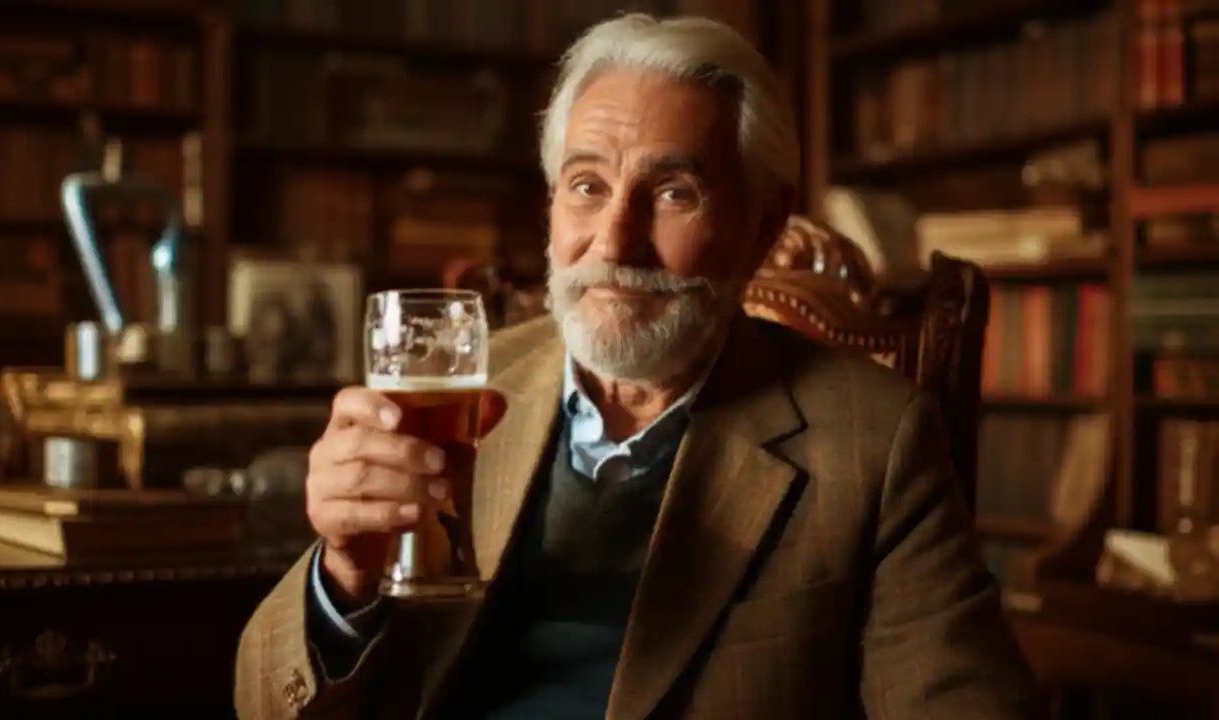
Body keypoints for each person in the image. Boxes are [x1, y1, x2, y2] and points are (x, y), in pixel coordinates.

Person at [235, 13, 1042, 720]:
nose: (614, 244)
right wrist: (342, 575)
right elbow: (265, 702)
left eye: (674, 193)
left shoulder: (875, 441)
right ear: (551, 208)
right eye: (587, 186)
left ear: (763, 227)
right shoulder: (470, 381)